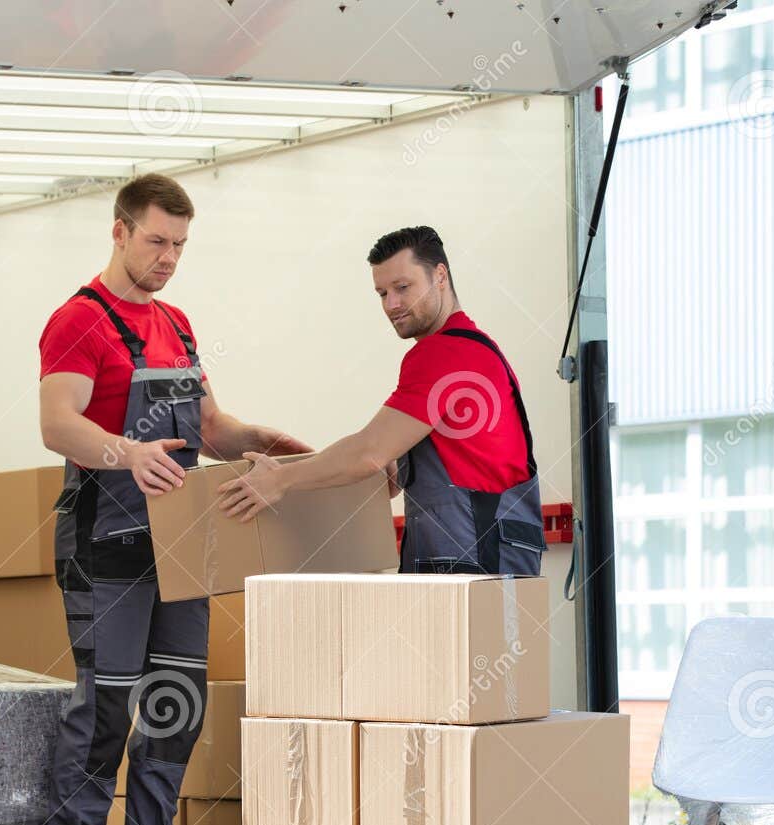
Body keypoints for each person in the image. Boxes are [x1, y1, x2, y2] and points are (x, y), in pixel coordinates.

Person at [37, 174, 310, 825]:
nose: (168, 258)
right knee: (105, 712)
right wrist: (124, 452)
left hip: (181, 546)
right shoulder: (77, 322)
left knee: (175, 706)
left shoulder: (178, 324)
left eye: (180, 246)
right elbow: (57, 424)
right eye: (157, 241)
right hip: (108, 543)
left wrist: (260, 440)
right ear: (119, 231)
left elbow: (210, 427)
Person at [217, 225, 544, 575]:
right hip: (488, 552)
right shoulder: (476, 349)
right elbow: (390, 468)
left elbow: (370, 452)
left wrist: (279, 480)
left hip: (474, 555)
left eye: (403, 288)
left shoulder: (445, 352)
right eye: (381, 292)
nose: (392, 304)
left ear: (440, 276)